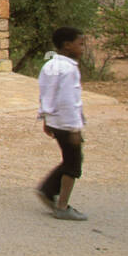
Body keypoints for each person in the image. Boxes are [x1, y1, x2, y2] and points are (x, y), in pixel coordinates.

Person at [36, 27, 89, 220]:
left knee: (68, 160)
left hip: (55, 122)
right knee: (73, 164)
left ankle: (48, 190)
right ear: (67, 46)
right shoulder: (69, 69)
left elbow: (45, 95)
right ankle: (62, 206)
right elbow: (69, 101)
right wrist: (76, 128)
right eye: (80, 44)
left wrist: (45, 118)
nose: (82, 49)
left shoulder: (49, 66)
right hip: (67, 124)